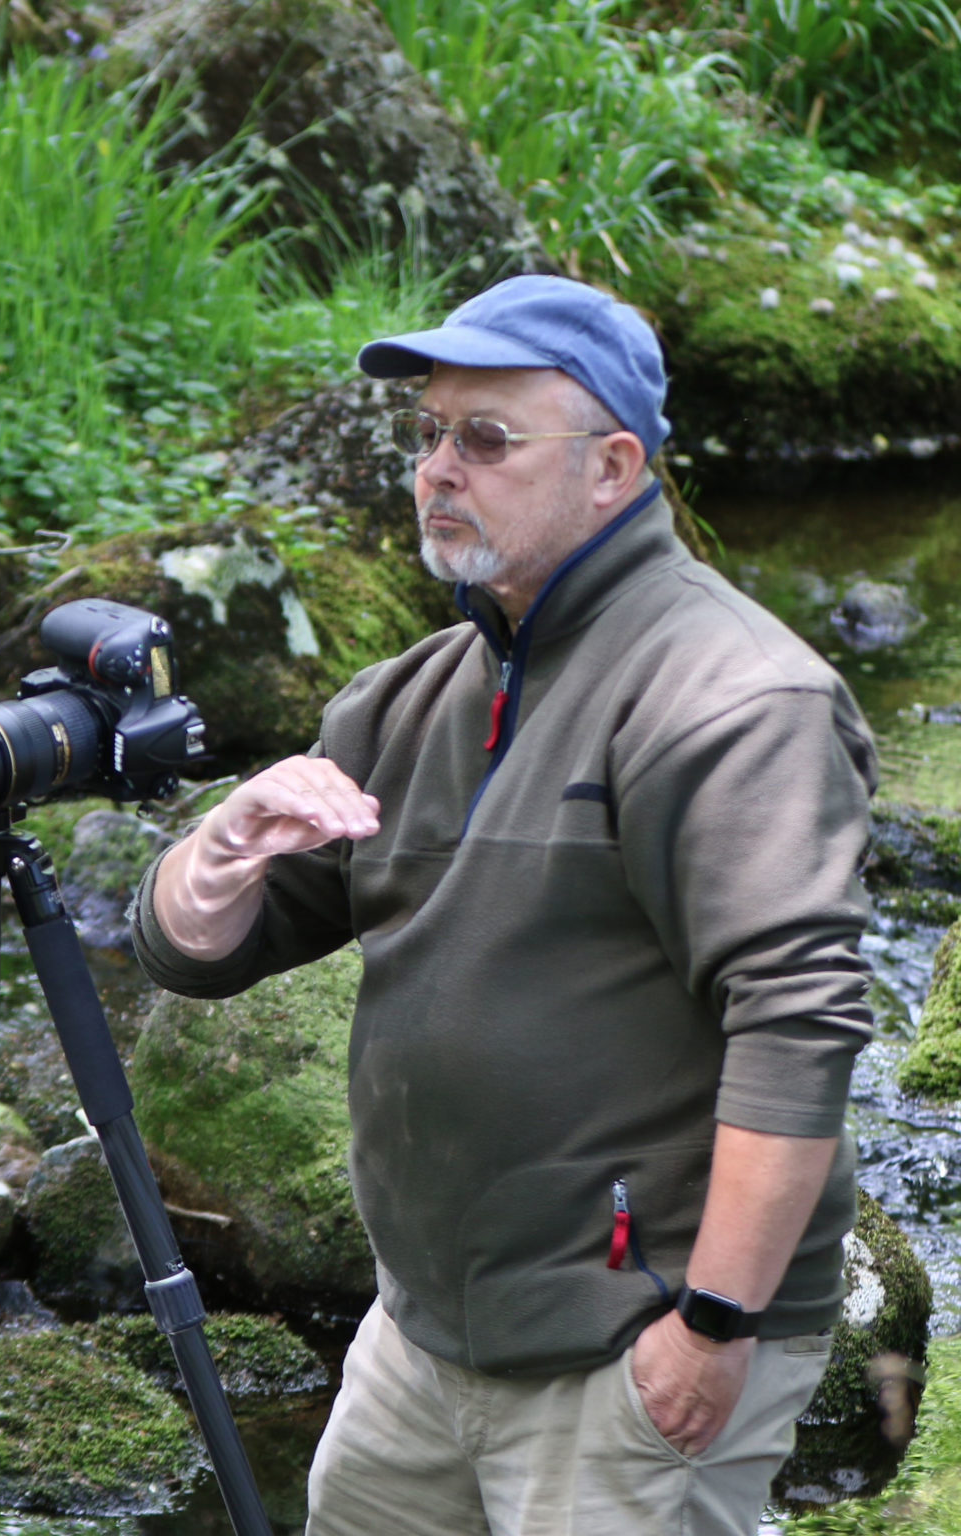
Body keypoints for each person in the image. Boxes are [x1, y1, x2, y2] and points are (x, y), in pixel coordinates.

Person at [130, 274, 878, 1536]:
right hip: (423, 1336)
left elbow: (798, 1026)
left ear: (613, 466)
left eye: (485, 438)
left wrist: (712, 1324)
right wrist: (217, 850)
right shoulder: (409, 694)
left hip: (633, 1341)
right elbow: (200, 953)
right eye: (428, 433)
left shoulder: (737, 698)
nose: (436, 468)